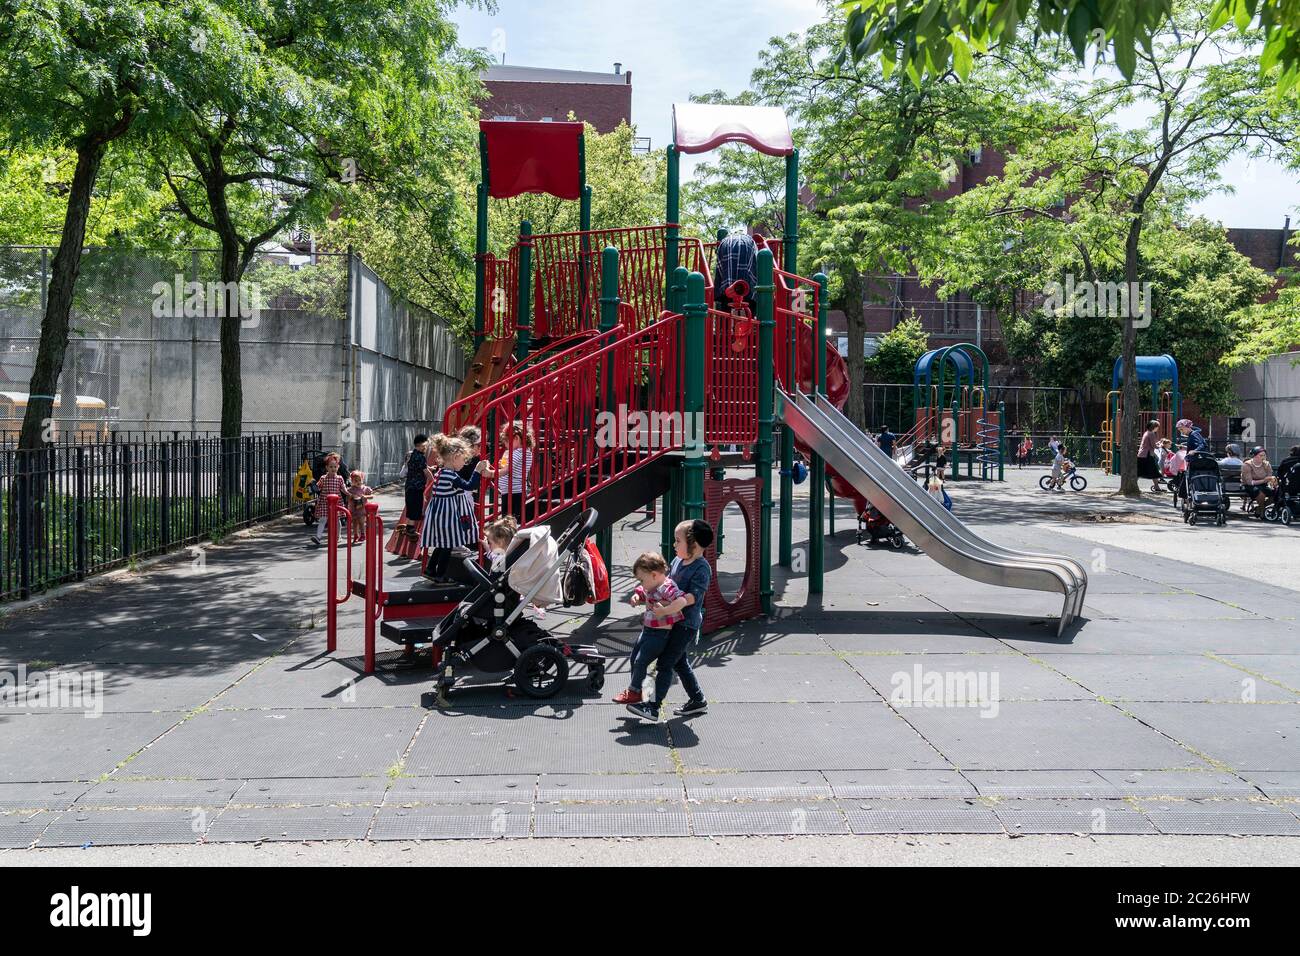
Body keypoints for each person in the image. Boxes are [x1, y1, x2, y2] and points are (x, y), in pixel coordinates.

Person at [625, 520, 713, 724]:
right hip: (671, 623)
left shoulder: (701, 568)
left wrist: (666, 609)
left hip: (685, 625)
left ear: (694, 545)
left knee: (664, 664)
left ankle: (652, 707)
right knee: (680, 663)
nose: (674, 545)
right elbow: (661, 583)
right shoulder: (677, 561)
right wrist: (642, 594)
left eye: (678, 540)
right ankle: (697, 699)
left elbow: (692, 598)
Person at [612, 553, 688, 707]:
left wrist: (665, 611)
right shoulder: (651, 585)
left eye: (642, 579)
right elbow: (642, 590)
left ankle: (634, 691)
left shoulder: (667, 587)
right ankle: (636, 690)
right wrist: (636, 596)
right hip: (647, 631)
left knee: (641, 661)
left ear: (654, 575)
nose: (641, 583)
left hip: (659, 635)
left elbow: (682, 600)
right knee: (634, 659)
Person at [420, 436, 485, 580]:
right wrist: (477, 470)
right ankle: (441, 576)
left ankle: (430, 569)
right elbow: (470, 486)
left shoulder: (440, 473)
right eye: (463, 459)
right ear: (455, 457)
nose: (464, 463)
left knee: (442, 544)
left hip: (440, 515)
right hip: (448, 517)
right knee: (447, 545)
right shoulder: (450, 476)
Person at [480, 420, 535, 522]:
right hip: (515, 491)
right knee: (513, 519)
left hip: (513, 492)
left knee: (508, 521)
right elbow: (512, 468)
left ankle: (509, 537)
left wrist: (491, 474)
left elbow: (506, 470)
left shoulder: (517, 453)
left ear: (516, 438)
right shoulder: (525, 452)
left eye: (506, 441)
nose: (505, 445)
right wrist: (504, 464)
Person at [712, 232, 758, 311]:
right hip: (747, 286)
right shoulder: (750, 241)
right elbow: (755, 265)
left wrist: (718, 292)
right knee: (751, 307)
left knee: (725, 312)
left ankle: (724, 320)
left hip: (727, 288)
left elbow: (720, 268)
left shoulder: (724, 242)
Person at [310, 453, 348, 546]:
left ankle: (338, 536)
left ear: (338, 467)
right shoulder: (323, 478)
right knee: (323, 520)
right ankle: (318, 537)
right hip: (324, 502)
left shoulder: (340, 478)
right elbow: (318, 487)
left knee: (337, 519)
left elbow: (343, 489)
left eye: (335, 467)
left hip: (336, 502)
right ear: (327, 467)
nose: (333, 469)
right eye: (331, 467)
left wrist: (349, 493)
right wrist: (313, 486)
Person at [401, 434, 430, 541]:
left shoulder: (412, 454)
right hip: (417, 486)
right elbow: (426, 471)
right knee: (415, 507)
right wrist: (434, 480)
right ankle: (411, 528)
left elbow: (421, 466)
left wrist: (430, 468)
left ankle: (409, 525)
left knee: (411, 505)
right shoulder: (421, 456)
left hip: (409, 485)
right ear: (421, 444)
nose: (426, 448)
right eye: (425, 445)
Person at [1240, 445, 1276, 517]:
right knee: (1260, 492)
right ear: (1254, 456)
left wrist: (1273, 481)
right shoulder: (1247, 465)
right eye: (1261, 455)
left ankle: (1259, 508)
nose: (1263, 457)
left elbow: (1269, 477)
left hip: (1263, 485)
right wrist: (1264, 480)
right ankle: (1262, 511)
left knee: (1276, 494)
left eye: (1264, 455)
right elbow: (1250, 482)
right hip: (1249, 486)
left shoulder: (1266, 464)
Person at [344, 470, 374, 541]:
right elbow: (347, 499)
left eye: (359, 480)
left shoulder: (365, 488)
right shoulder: (350, 490)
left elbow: (372, 496)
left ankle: (363, 534)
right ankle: (355, 535)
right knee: (354, 523)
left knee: (361, 522)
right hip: (353, 509)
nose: (357, 482)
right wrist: (351, 496)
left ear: (362, 480)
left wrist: (365, 497)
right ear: (352, 481)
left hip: (362, 509)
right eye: (355, 480)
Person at [1137, 420, 1162, 493]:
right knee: (1153, 470)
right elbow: (1154, 446)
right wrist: (1160, 445)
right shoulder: (1151, 434)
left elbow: (1149, 443)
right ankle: (1157, 487)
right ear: (1154, 427)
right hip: (1147, 454)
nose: (1158, 428)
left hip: (1142, 454)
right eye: (1157, 427)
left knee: (1140, 471)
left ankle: (1157, 487)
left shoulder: (1146, 433)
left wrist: (1157, 444)